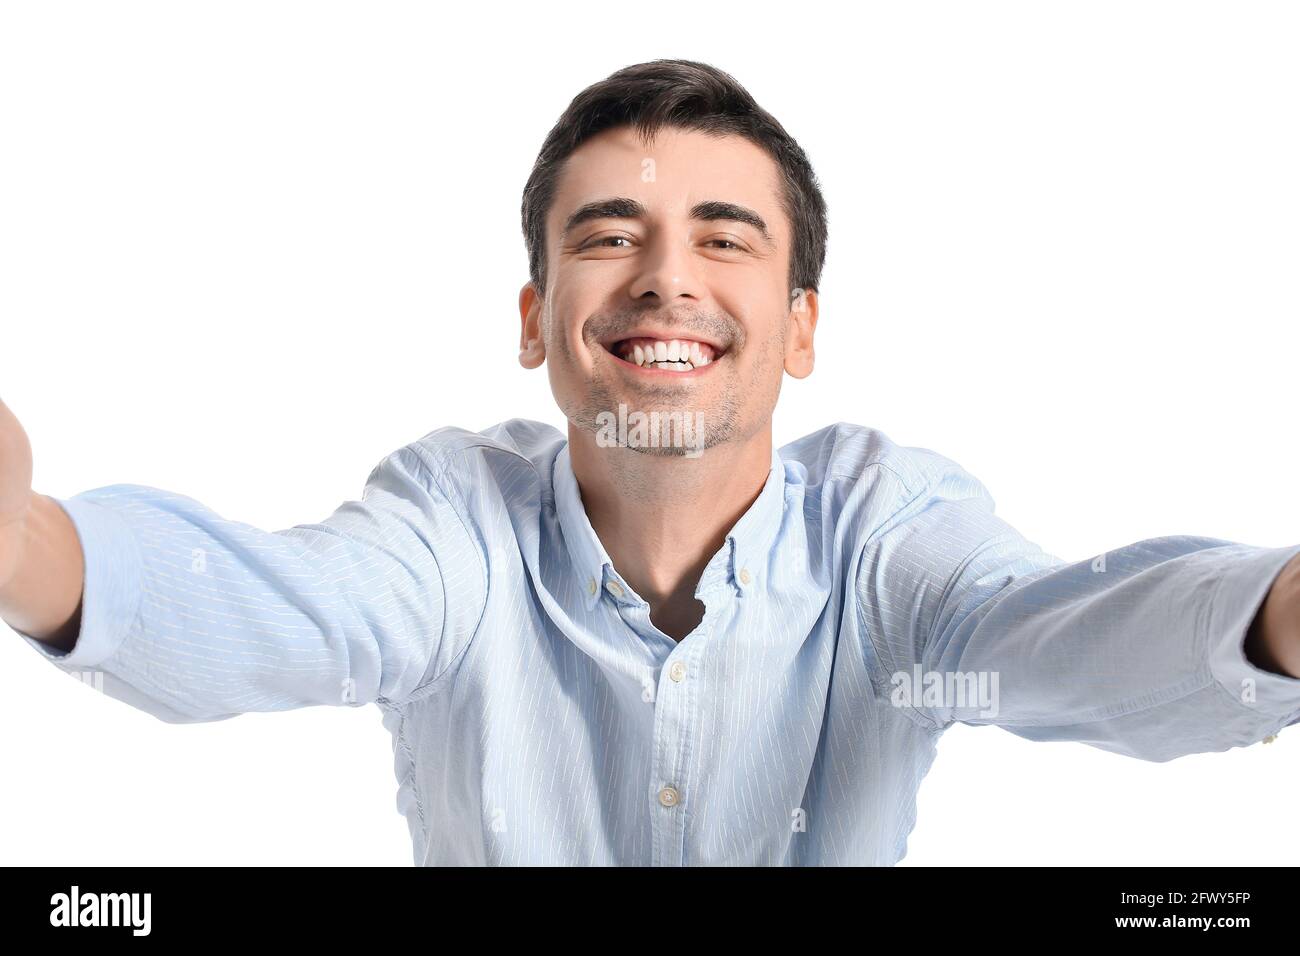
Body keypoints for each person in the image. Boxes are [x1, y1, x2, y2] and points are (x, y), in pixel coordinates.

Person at [3, 59, 1299, 866]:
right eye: (611, 236)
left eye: (724, 239)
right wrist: (23, 544)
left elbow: (1051, 640)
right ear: (535, 320)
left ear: (801, 327)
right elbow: (282, 610)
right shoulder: (454, 523)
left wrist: (1280, 613)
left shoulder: (884, 535)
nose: (668, 278)